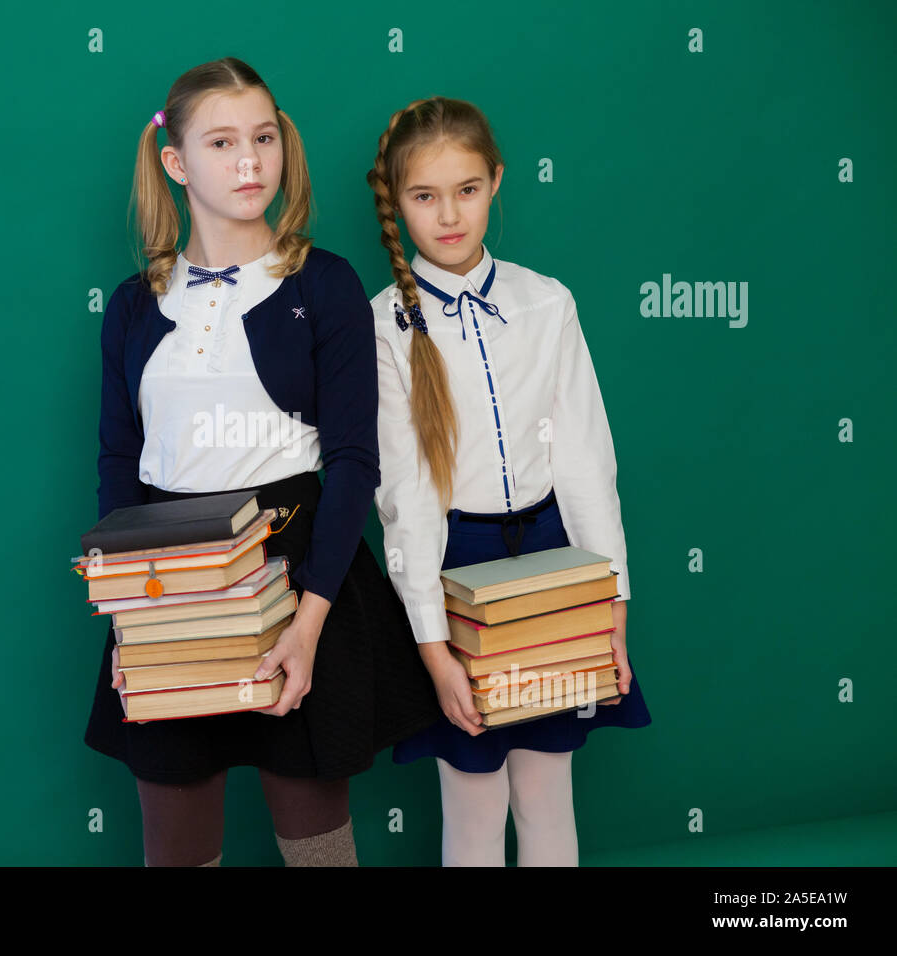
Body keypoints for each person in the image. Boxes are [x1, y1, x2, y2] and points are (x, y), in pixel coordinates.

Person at [83, 58, 440, 867]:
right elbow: (118, 456)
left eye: (264, 138)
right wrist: (133, 609)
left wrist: (309, 622)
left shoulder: (325, 282)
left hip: (297, 567)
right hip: (166, 578)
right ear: (175, 162)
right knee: (175, 842)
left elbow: (353, 460)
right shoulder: (136, 303)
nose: (249, 162)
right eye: (221, 142)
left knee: (316, 840)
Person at [365, 96, 652, 866]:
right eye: (424, 196)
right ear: (397, 202)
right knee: (473, 796)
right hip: (453, 570)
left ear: (497, 181)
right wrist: (433, 650)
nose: (449, 214)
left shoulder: (547, 302)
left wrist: (612, 607)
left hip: (554, 562)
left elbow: (587, 463)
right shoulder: (384, 325)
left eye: (467, 189)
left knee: (547, 792)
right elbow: (406, 500)